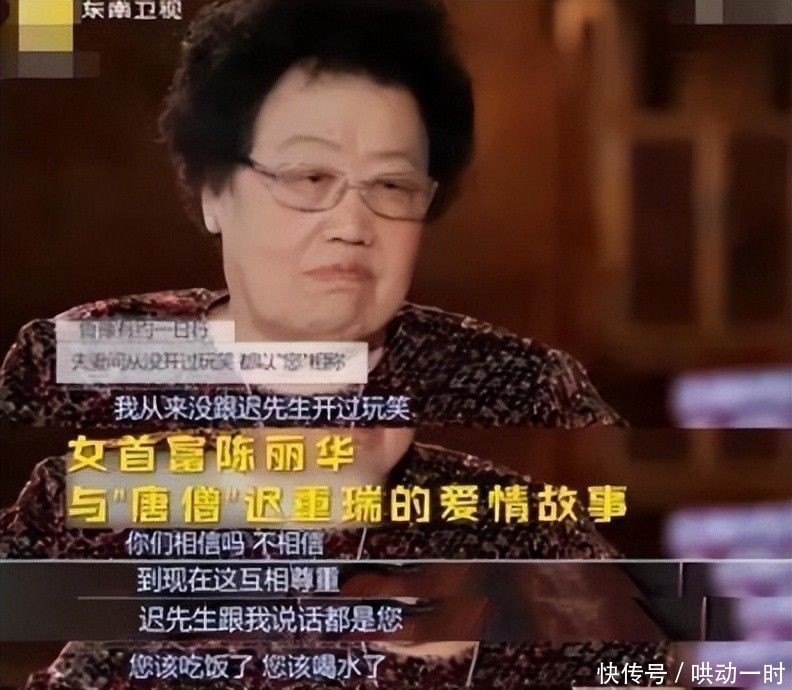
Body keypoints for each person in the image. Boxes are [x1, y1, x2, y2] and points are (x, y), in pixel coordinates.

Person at [0, 0, 623, 431]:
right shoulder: (75, 369)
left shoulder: (524, 392)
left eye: (391, 185)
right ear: (214, 191)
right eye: (309, 179)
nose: (351, 226)